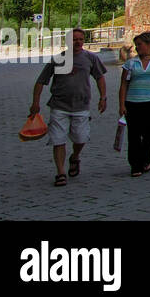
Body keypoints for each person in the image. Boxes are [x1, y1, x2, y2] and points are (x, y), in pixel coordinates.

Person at [30, 28, 107, 187]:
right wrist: (35, 103)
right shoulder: (57, 59)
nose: (77, 42)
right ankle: (60, 172)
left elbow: (100, 77)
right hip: (59, 105)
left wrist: (103, 97)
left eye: (80, 39)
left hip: (81, 105)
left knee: (80, 138)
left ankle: (75, 156)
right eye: (74, 39)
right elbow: (40, 81)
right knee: (58, 139)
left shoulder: (91, 58)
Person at [119, 31, 150, 178]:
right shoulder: (130, 63)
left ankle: (147, 158)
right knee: (133, 134)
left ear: (149, 44)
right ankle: (135, 165)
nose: (137, 48)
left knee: (148, 133)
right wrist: (121, 104)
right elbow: (123, 85)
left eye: (139, 44)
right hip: (132, 102)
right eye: (136, 45)